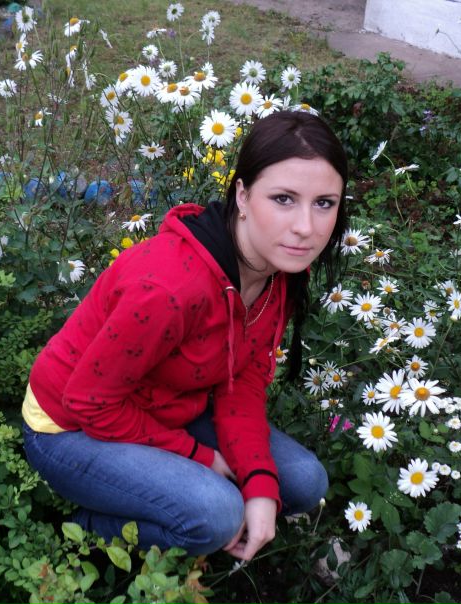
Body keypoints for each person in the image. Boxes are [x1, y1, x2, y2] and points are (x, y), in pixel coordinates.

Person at [22, 110, 348, 561]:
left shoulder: (281, 271)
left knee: (303, 482)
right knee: (217, 514)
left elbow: (241, 381)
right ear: (242, 195)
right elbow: (88, 402)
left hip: (168, 405)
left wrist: (257, 481)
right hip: (69, 426)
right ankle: (82, 535)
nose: (306, 228)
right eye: (284, 199)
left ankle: (174, 502)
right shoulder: (169, 288)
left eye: (324, 203)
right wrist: (202, 458)